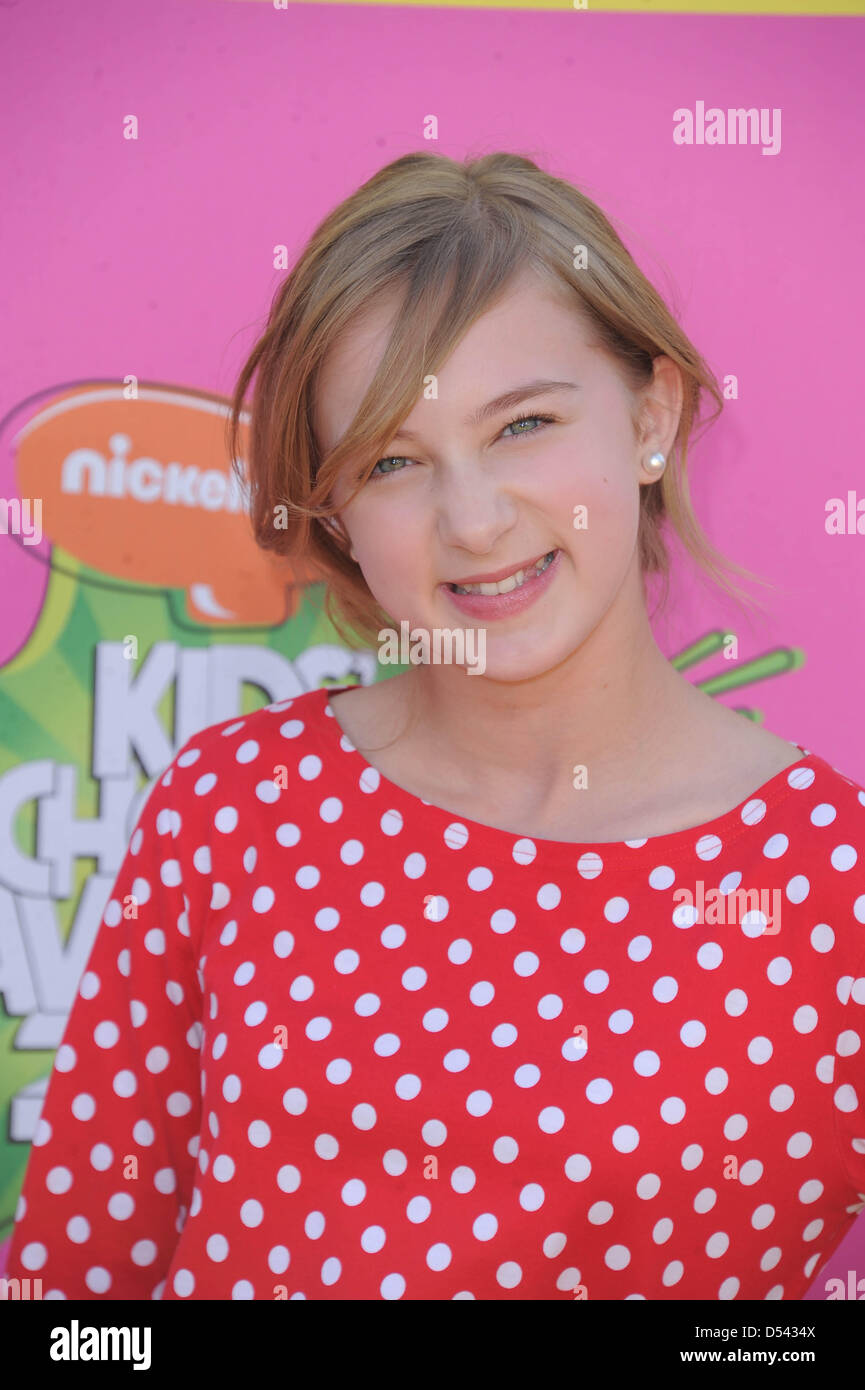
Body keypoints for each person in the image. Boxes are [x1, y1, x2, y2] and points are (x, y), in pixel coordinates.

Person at [5, 152, 865, 1301]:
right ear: (336, 512)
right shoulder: (235, 804)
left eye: (524, 425)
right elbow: (71, 1294)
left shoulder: (832, 887)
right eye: (394, 460)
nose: (471, 518)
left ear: (651, 414)